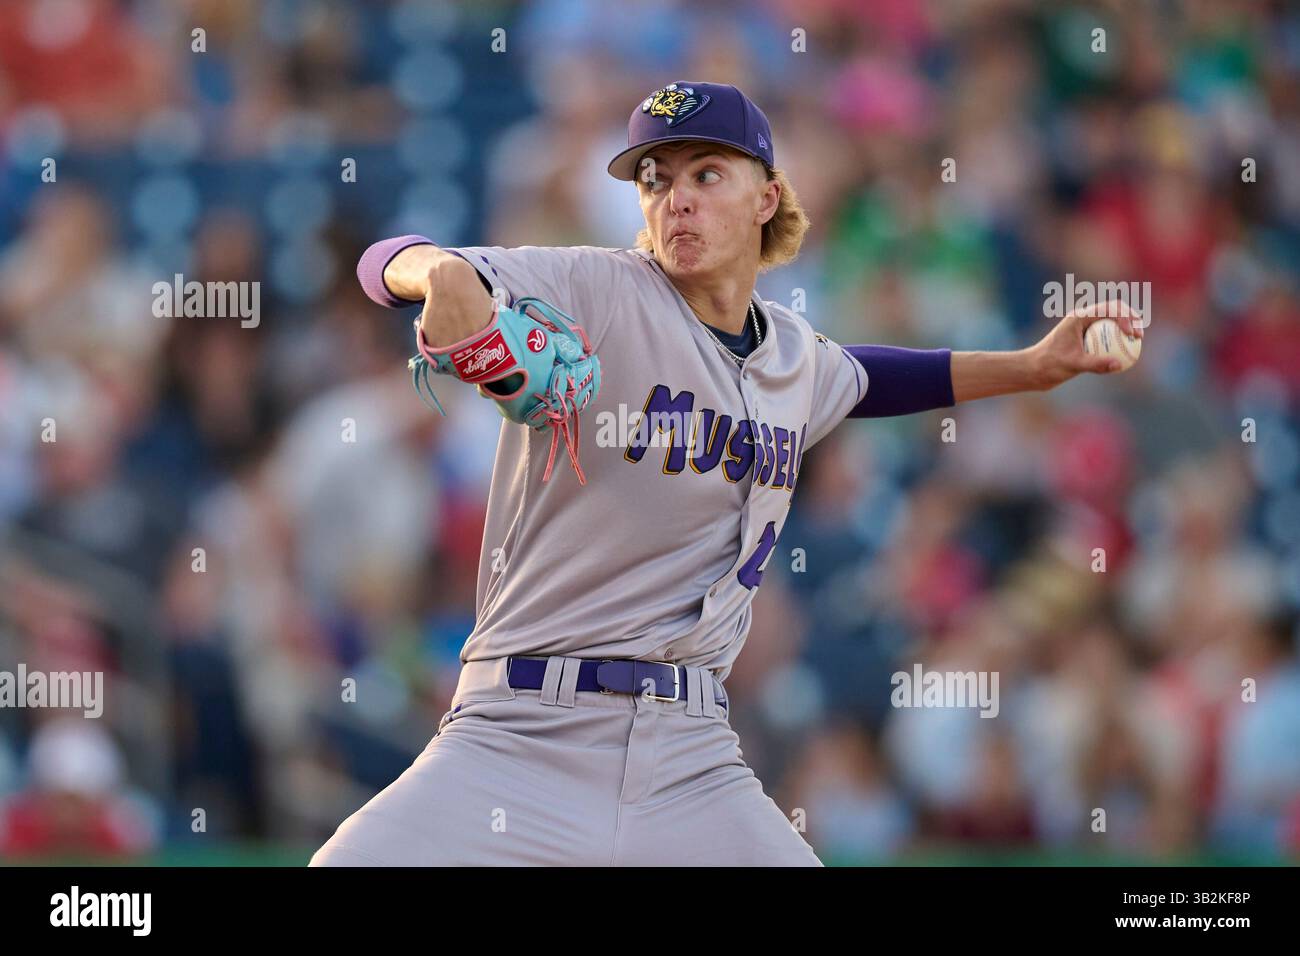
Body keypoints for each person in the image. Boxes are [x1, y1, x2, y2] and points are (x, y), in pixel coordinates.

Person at [311, 81, 1140, 866]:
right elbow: (384, 261)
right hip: (520, 731)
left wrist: (1031, 368)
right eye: (655, 178)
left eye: (707, 173)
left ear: (767, 197)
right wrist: (442, 276)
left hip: (691, 756)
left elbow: (882, 376)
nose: (677, 197)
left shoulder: (793, 358)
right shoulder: (599, 290)